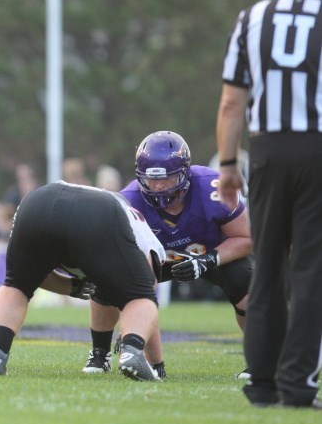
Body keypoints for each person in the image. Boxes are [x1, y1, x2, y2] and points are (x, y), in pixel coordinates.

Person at [216, 0, 322, 409]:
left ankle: (261, 380)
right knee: (312, 269)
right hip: (317, 148)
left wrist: (226, 163)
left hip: (267, 150)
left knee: (268, 268)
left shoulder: (252, 18)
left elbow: (230, 102)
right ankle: (297, 381)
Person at [82, 131, 253, 379]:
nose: (159, 187)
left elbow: (248, 238)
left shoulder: (211, 186)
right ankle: (100, 353)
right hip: (155, 258)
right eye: (152, 180)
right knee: (108, 281)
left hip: (211, 254)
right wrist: (156, 364)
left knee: (246, 280)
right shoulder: (128, 202)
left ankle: (261, 359)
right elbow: (142, 289)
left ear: (185, 173)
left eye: (167, 179)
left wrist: (208, 260)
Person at [0, 181, 165, 381]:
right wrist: (157, 363)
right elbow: (143, 300)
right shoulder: (149, 244)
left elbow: (35, 274)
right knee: (142, 296)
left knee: (17, 284)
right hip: (97, 211)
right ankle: (131, 353)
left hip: (38, 200)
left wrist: (72, 287)